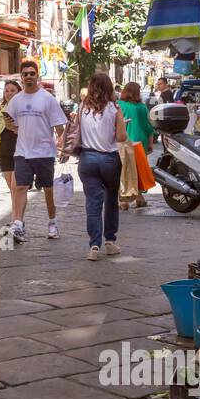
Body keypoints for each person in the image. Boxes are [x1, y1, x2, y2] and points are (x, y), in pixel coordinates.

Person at [6, 59, 67, 244]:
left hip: (44, 152)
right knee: (20, 187)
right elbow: (12, 125)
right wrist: (11, 126)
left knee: (48, 189)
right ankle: (18, 223)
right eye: (25, 74)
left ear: (37, 76)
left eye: (32, 73)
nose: (29, 77)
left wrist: (63, 146)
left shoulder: (47, 99)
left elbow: (59, 126)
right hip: (22, 152)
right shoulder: (16, 100)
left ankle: (52, 222)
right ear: (21, 77)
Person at [75, 72, 128, 260]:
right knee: (111, 200)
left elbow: (77, 131)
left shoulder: (82, 107)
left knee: (93, 203)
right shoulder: (114, 109)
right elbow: (122, 137)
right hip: (109, 159)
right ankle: (110, 241)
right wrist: (121, 121)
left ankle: (94, 246)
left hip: (87, 159)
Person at [118, 81, 153, 209]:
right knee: (138, 171)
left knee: (124, 171)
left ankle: (124, 200)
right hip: (140, 143)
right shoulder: (142, 108)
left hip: (124, 143)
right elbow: (148, 127)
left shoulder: (119, 105)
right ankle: (139, 197)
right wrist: (150, 143)